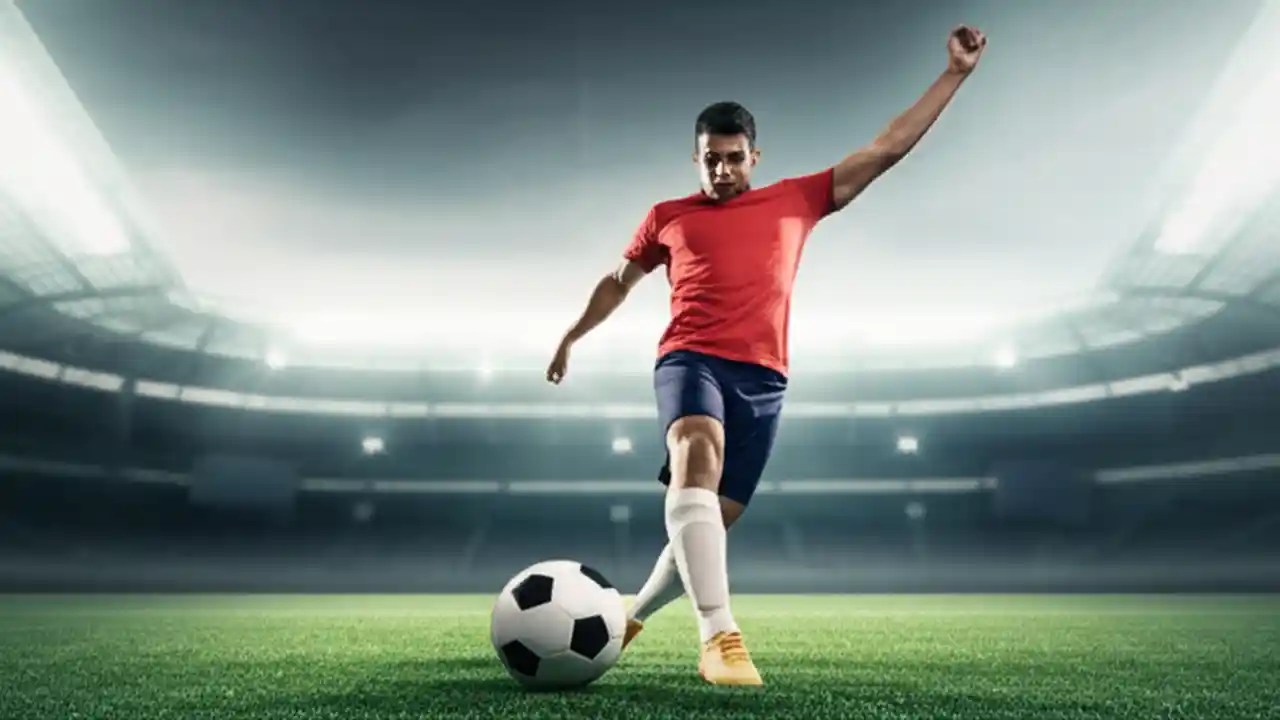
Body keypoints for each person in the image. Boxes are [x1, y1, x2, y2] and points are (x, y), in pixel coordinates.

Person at [546, 25, 987, 686]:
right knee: (696, 451)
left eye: (733, 158)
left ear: (755, 156)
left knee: (708, 528)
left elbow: (886, 148)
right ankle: (718, 636)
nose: (721, 170)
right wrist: (572, 335)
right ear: (695, 159)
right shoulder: (667, 215)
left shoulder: (797, 200)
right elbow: (618, 281)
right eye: (709, 160)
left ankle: (629, 615)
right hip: (690, 360)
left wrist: (954, 74)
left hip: (765, 380)